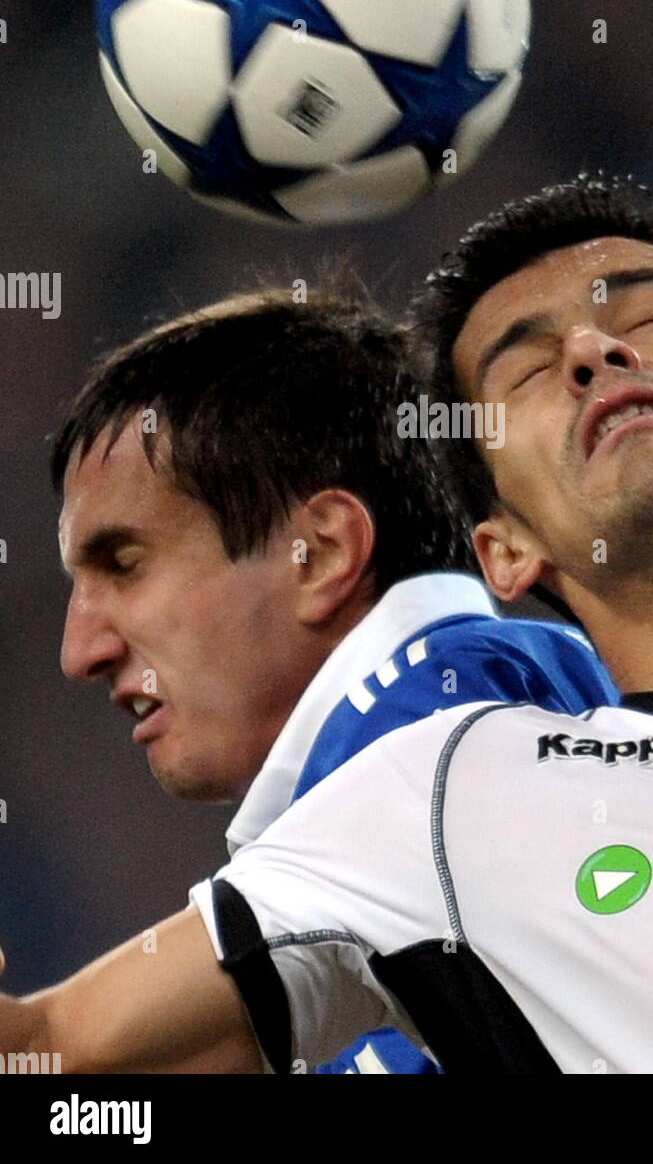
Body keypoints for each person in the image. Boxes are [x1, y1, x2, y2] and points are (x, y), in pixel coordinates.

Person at [4, 172, 653, 1073]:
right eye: (527, 369)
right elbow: (51, 1049)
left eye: (648, 317)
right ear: (504, 551)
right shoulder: (443, 791)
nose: (591, 349)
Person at [8, 284, 616, 1075]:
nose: (79, 651)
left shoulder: (435, 743)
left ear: (321, 553)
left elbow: (53, 1052)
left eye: (124, 564)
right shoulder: (505, 704)